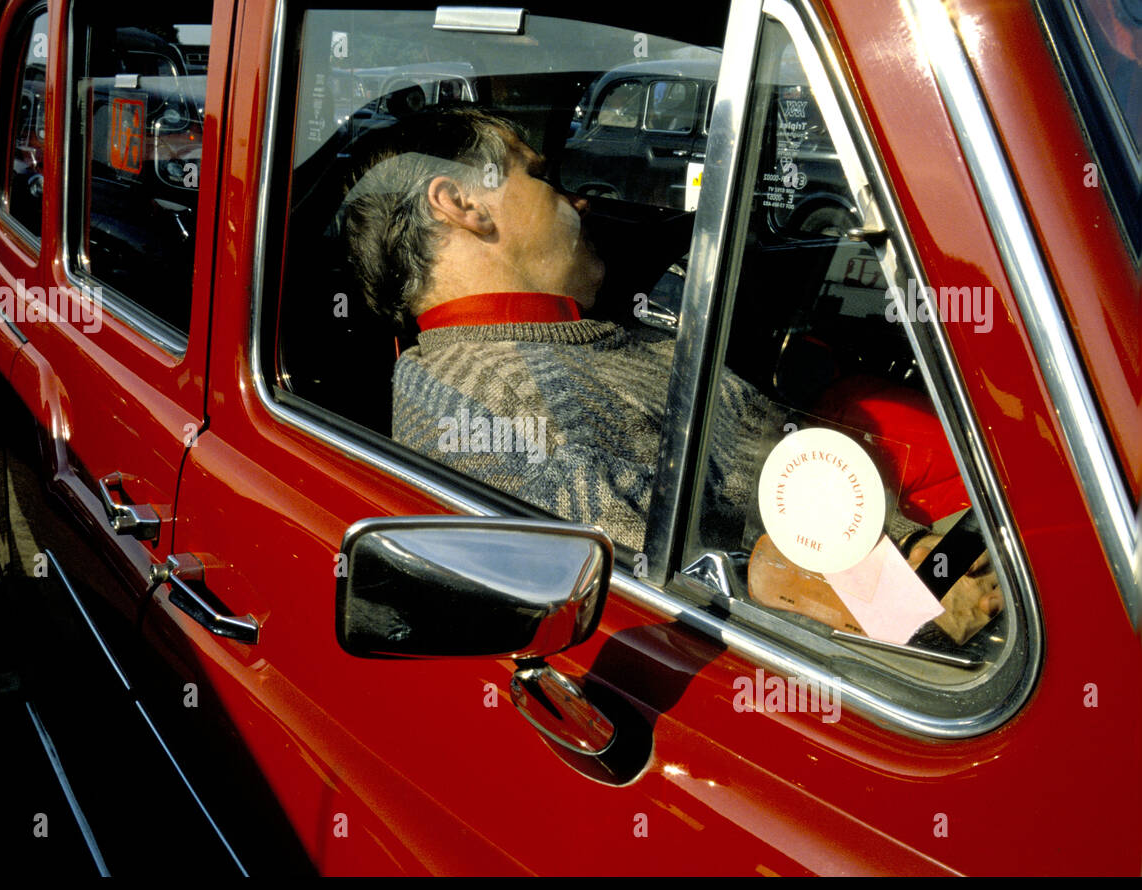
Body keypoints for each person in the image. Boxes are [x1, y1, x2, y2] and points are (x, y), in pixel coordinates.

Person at [341, 106, 1000, 643]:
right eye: (537, 174)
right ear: (460, 203)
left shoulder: (535, 342)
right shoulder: (502, 407)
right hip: (887, 605)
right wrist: (914, 599)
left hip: (882, 533)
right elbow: (691, 604)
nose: (574, 199)